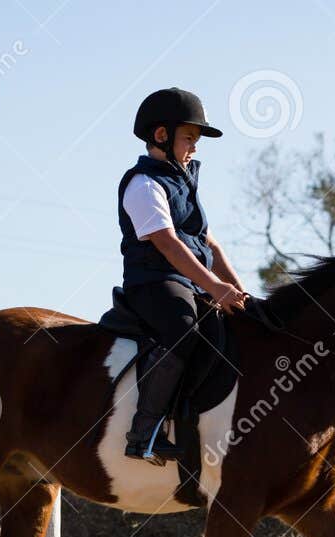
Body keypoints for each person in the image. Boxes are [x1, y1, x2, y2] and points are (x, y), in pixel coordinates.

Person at [115, 87, 248, 462]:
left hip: (190, 281)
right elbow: (169, 245)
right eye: (189, 136)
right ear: (161, 135)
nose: (195, 146)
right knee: (184, 331)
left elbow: (211, 246)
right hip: (154, 282)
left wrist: (239, 293)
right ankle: (144, 435)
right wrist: (215, 287)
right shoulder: (143, 184)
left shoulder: (185, 182)